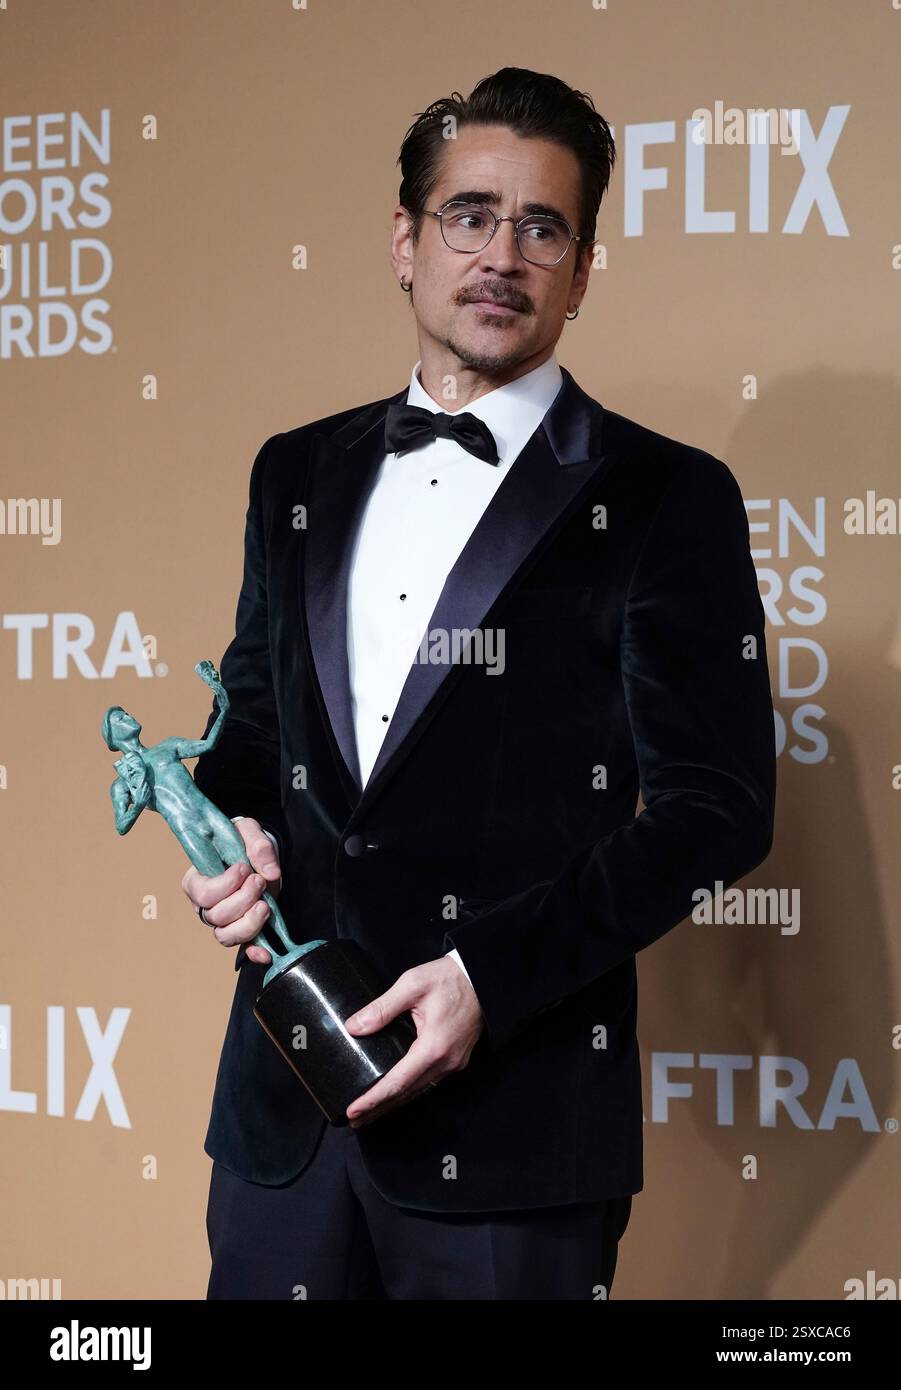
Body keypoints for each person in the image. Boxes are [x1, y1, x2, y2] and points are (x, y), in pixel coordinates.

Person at [183, 66, 776, 1300]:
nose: (502, 253)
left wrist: (484, 981)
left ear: (581, 267)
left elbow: (716, 810)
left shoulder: (667, 498)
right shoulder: (293, 470)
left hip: (516, 1135)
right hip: (283, 1115)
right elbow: (251, 723)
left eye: (542, 227)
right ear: (405, 242)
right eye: (469, 214)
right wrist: (228, 826)